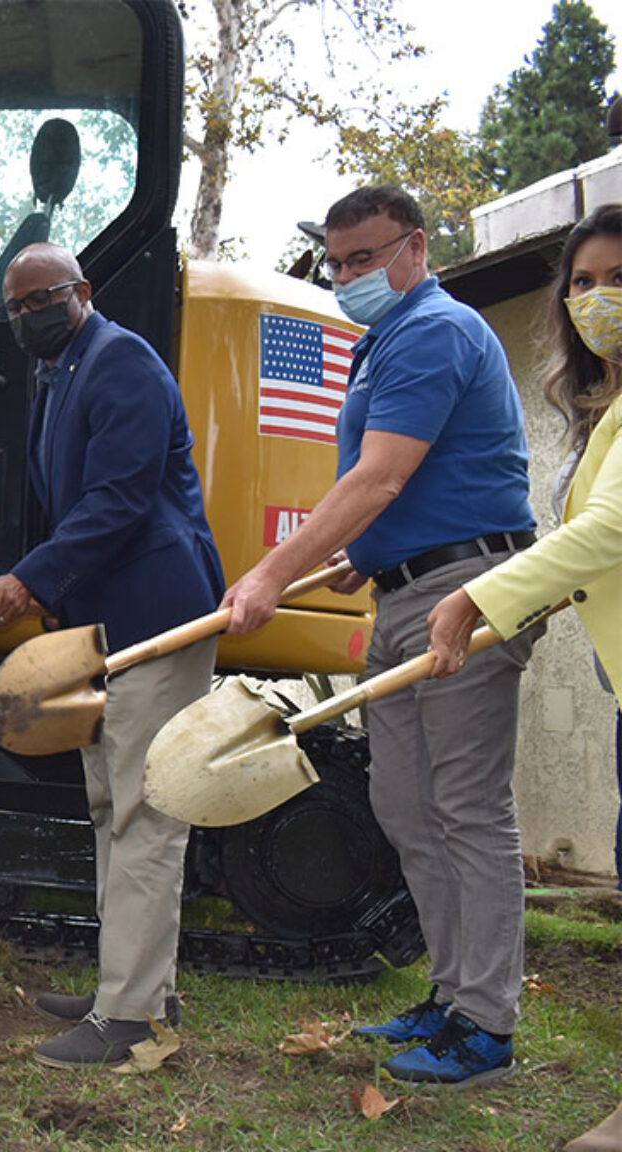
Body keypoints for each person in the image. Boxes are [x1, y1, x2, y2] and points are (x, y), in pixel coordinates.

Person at [224, 185, 537, 1087]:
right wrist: (368, 554)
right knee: (405, 804)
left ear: (415, 248)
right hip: (403, 589)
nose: (348, 276)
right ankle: (450, 995)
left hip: (465, 590)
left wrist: (272, 573)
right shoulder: (383, 339)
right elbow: (395, 492)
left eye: (365, 258)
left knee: (468, 807)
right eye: (337, 261)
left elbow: (379, 477)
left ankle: (486, 1025)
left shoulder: (435, 329)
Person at [0, 243, 222, 1068]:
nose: (23, 316)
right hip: (103, 626)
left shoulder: (122, 363)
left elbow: (117, 498)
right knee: (111, 809)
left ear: (80, 292)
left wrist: (31, 578)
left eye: (38, 298)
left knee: (148, 812)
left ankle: (129, 1021)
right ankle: (135, 984)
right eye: (12, 306)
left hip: (155, 616)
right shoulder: (60, 373)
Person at [423, 204, 622, 1138]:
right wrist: (531, 604)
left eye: (615, 280)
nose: (596, 300)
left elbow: (610, 530)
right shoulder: (605, 414)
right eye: (580, 284)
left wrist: (479, 598)